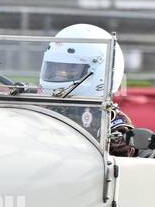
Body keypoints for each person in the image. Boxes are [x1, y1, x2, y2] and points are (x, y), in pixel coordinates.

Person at [37, 23, 138, 153]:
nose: (59, 74)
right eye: (55, 69)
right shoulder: (45, 110)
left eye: (70, 70)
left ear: (101, 72)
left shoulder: (112, 123)